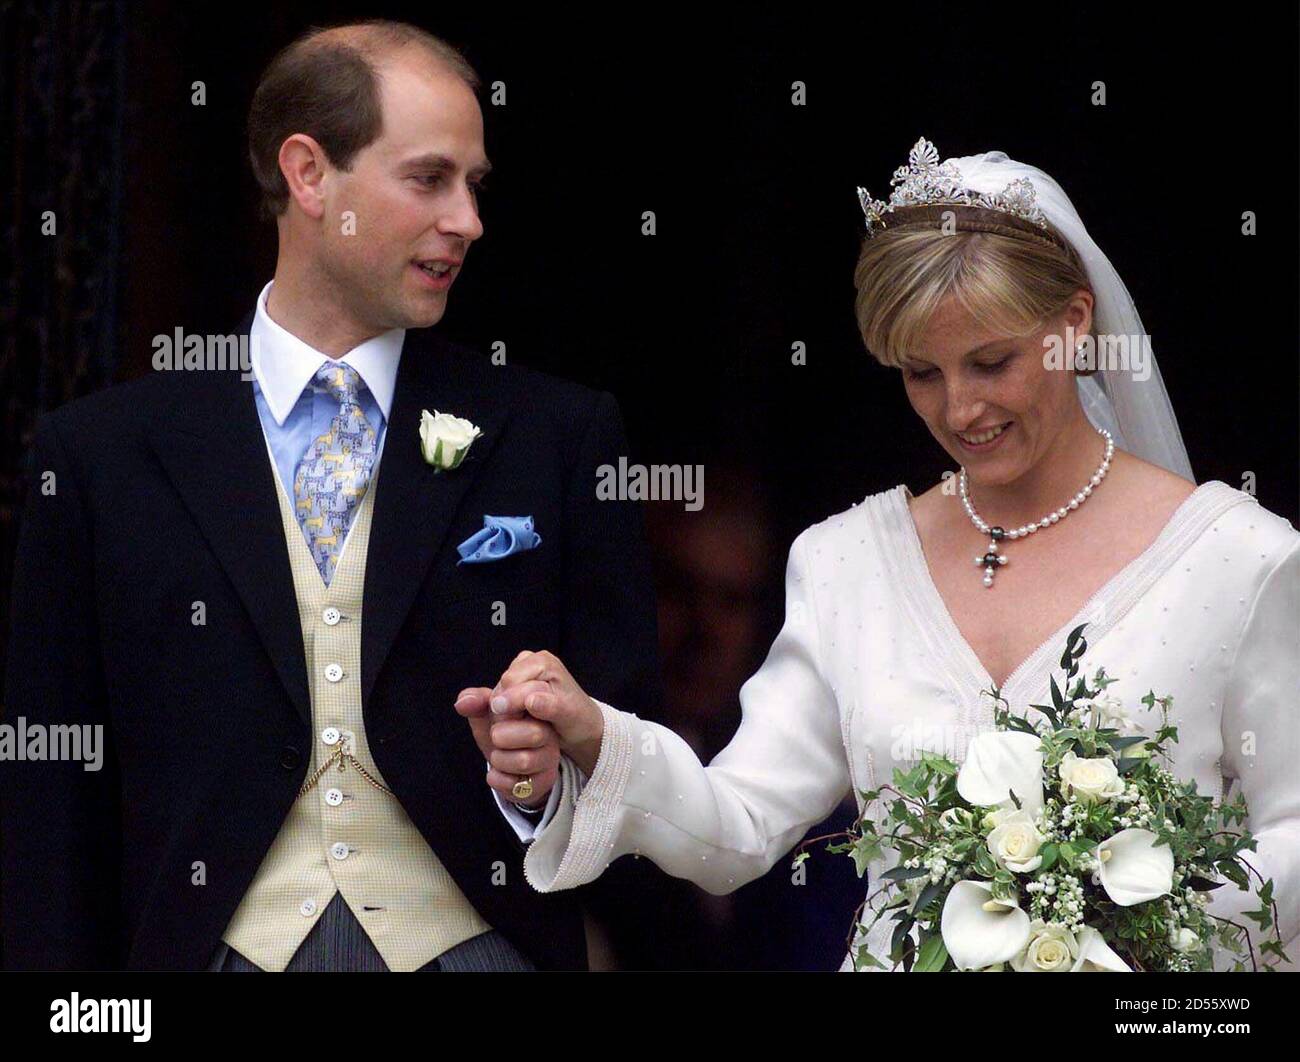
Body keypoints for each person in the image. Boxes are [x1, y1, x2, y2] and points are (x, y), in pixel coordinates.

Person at [458, 138, 1299, 970]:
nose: (960, 407)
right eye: (920, 373)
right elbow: (739, 822)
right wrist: (597, 738)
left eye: (991, 362)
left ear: (1074, 325)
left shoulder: (1236, 558)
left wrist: (1127, 934)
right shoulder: (845, 563)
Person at [1, 18, 661, 971]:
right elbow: (50, 796)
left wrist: (544, 780)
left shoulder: (556, 435)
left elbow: (632, 742)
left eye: (475, 186)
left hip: (478, 947)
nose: (467, 221)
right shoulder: (103, 453)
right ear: (309, 175)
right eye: (430, 179)